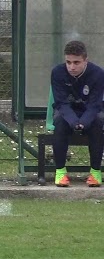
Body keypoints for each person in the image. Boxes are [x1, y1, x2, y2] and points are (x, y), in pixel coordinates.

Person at [50, 39, 104, 187]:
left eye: (76, 62)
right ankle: (60, 171)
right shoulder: (57, 73)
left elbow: (95, 104)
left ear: (85, 60)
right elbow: (61, 102)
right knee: (60, 122)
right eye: (68, 62)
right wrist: (74, 122)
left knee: (98, 122)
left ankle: (95, 172)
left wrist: (83, 122)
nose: (71, 67)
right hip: (67, 111)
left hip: (89, 111)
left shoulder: (98, 73)